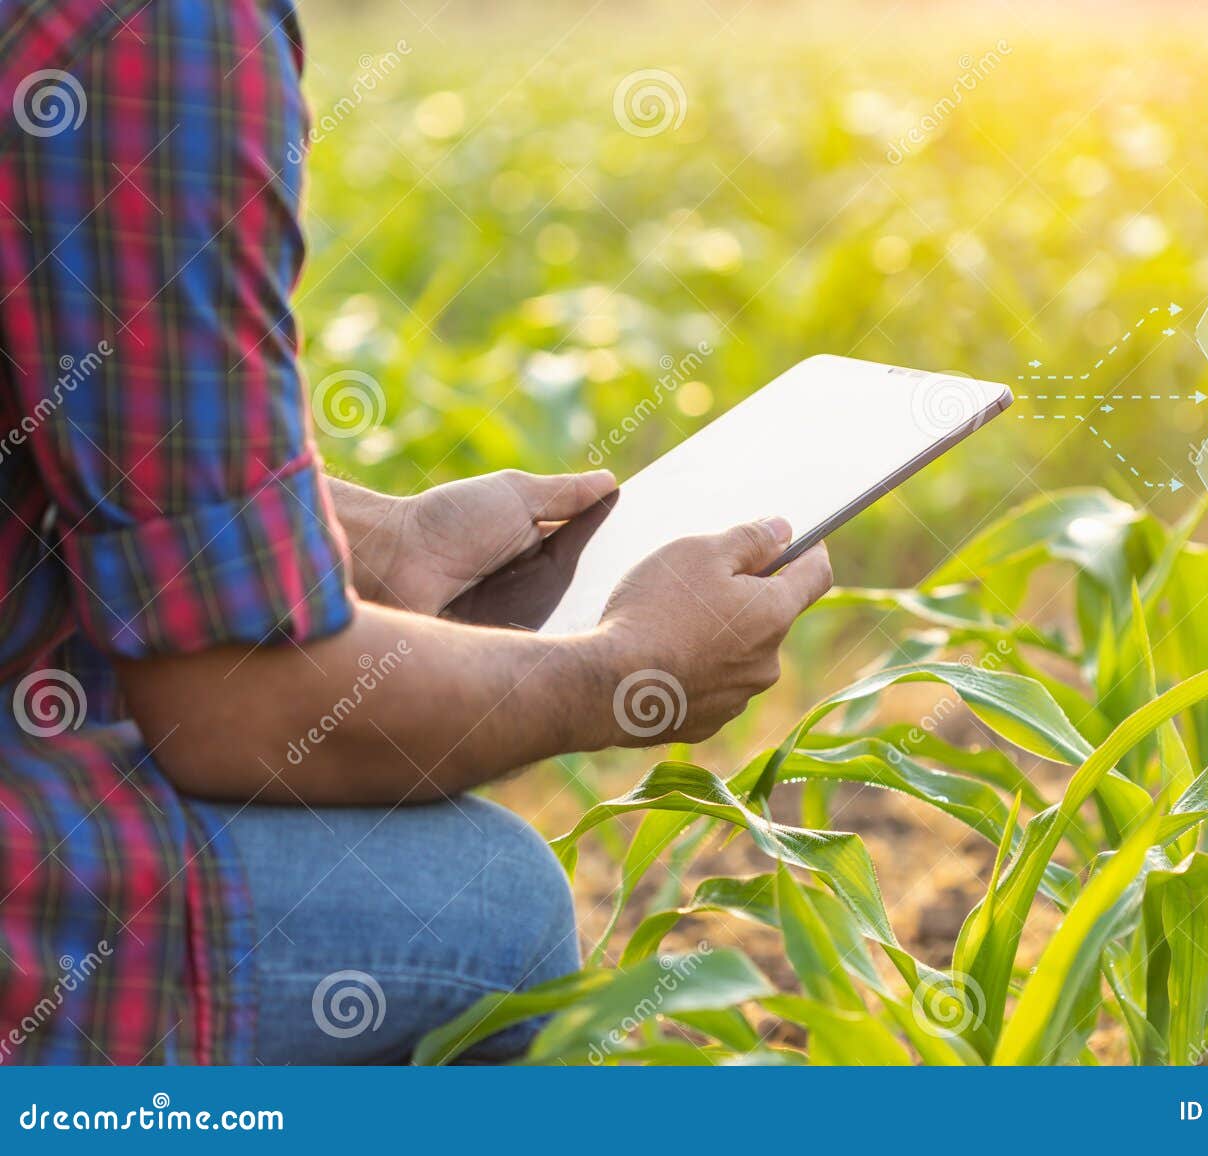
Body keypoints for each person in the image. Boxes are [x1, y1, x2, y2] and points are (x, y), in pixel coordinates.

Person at [0, 0, 830, 1064]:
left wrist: (378, 540)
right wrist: (622, 670)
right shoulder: (158, 29)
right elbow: (236, 705)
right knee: (486, 908)